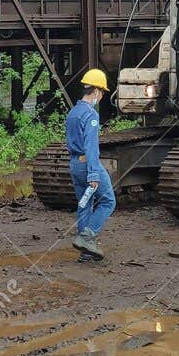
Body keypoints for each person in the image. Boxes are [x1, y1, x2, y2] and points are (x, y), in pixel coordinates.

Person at [66, 68, 115, 260]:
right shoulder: (91, 115)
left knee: (84, 204)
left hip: (75, 165)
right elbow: (91, 146)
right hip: (88, 165)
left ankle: (85, 254)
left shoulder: (73, 112)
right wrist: (94, 174)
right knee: (108, 201)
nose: (102, 96)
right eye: (102, 92)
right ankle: (87, 237)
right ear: (96, 91)